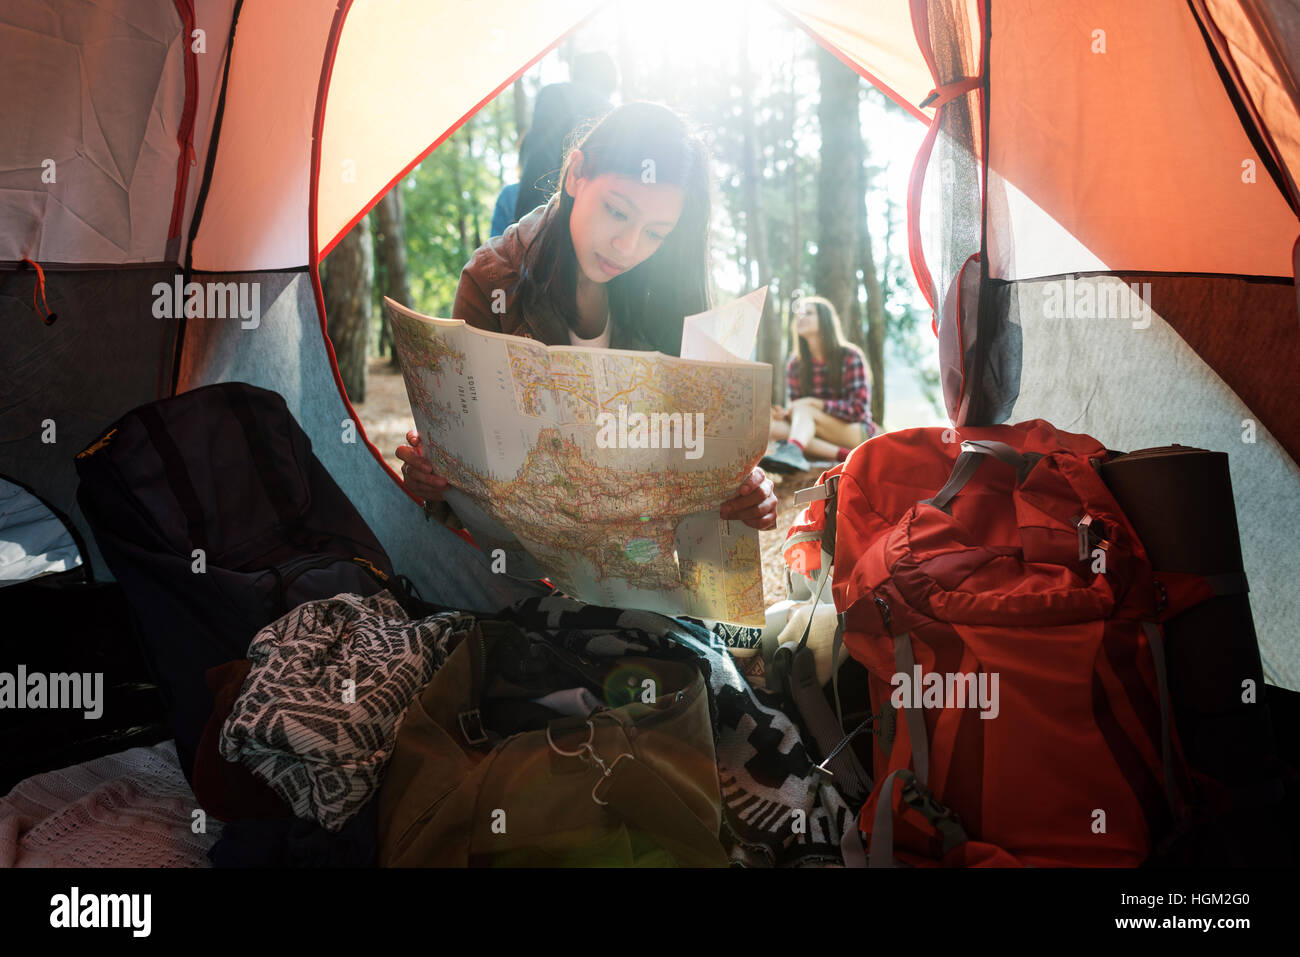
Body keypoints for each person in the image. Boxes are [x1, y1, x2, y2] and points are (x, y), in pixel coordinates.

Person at [396, 102, 777, 606]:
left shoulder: (668, 292)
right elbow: (462, 463)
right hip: (517, 579)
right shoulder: (492, 281)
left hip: (640, 577)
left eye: (657, 234)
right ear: (576, 174)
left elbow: (696, 456)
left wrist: (743, 489)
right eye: (618, 211)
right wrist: (433, 476)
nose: (628, 245)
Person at [764, 295, 879, 473]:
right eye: (799, 314)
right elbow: (799, 412)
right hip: (813, 431)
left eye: (808, 313)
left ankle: (794, 450)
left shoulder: (850, 356)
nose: (801, 318)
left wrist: (814, 404)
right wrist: (786, 414)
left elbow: (858, 410)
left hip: (855, 431)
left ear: (825, 321)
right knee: (772, 426)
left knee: (804, 410)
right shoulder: (795, 363)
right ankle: (844, 456)